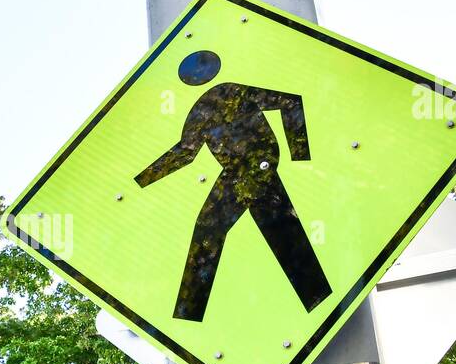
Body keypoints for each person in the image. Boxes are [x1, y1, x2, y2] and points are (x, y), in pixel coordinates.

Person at [135, 49, 332, 322]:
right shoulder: (199, 111)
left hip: (256, 167)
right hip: (238, 172)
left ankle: (188, 314)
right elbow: (185, 152)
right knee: (247, 227)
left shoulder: (233, 91)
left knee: (240, 228)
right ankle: (189, 316)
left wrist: (300, 154)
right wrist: (142, 180)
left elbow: (289, 102)